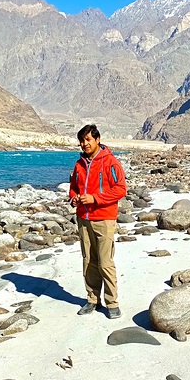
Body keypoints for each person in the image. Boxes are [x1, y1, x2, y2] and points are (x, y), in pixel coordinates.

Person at [69, 124, 127, 319]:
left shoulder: (111, 163)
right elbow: (73, 188)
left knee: (105, 262)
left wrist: (95, 198)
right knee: (89, 262)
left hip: (104, 218)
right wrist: (74, 198)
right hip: (83, 219)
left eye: (88, 140)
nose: (84, 144)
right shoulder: (79, 164)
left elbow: (120, 189)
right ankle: (92, 299)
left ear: (97, 140)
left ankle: (112, 302)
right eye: (82, 140)